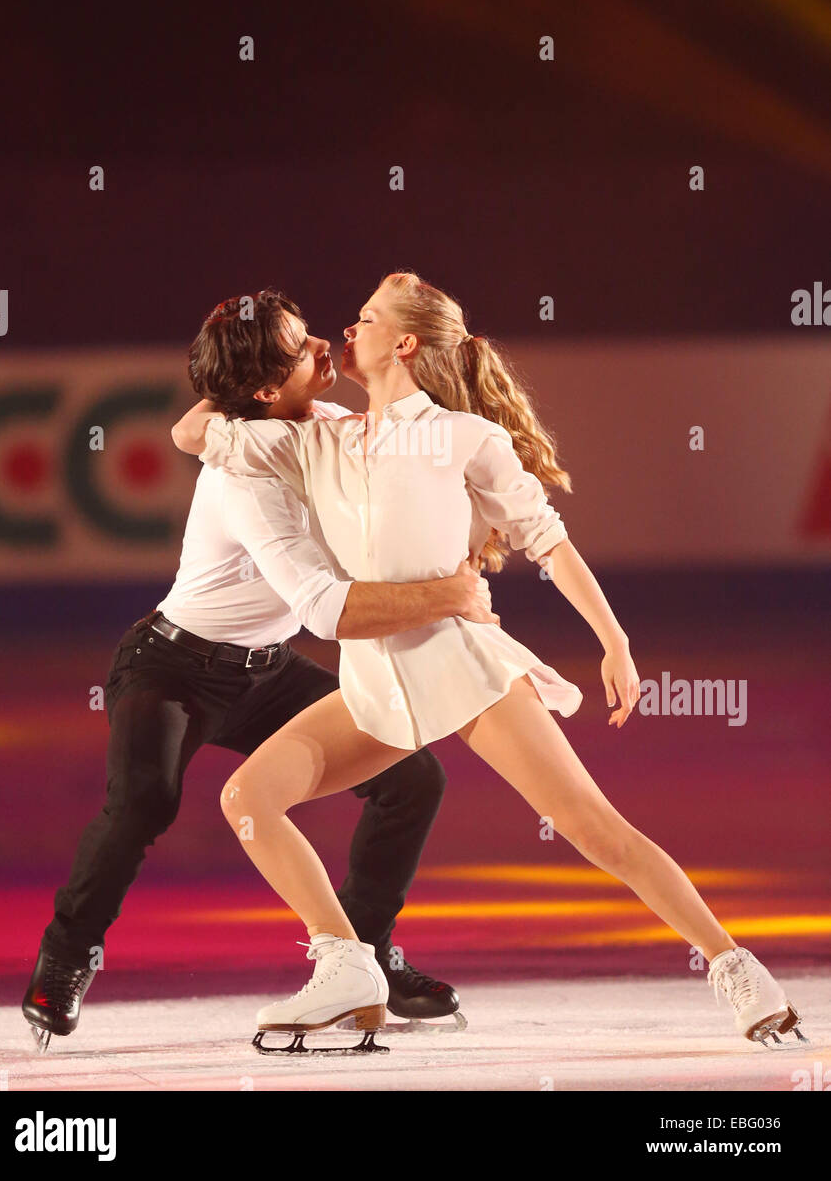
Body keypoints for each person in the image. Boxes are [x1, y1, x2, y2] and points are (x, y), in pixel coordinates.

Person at [173, 271, 808, 1056]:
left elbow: (548, 539)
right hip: (376, 681)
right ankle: (346, 965)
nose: (345, 330)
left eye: (364, 319)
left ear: (404, 342)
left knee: (593, 827)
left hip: (460, 668)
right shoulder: (319, 438)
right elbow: (192, 430)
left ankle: (737, 966)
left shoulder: (464, 438)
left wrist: (615, 641)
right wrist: (257, 362)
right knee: (250, 797)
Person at [22, 290, 497, 1051]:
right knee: (146, 801)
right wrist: (448, 596)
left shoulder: (329, 425)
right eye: (300, 345)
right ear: (268, 393)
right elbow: (320, 607)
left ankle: (364, 957)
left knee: (411, 779)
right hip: (171, 665)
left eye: (312, 329)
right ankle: (67, 953)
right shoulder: (239, 473)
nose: (322, 345)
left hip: (264, 671)